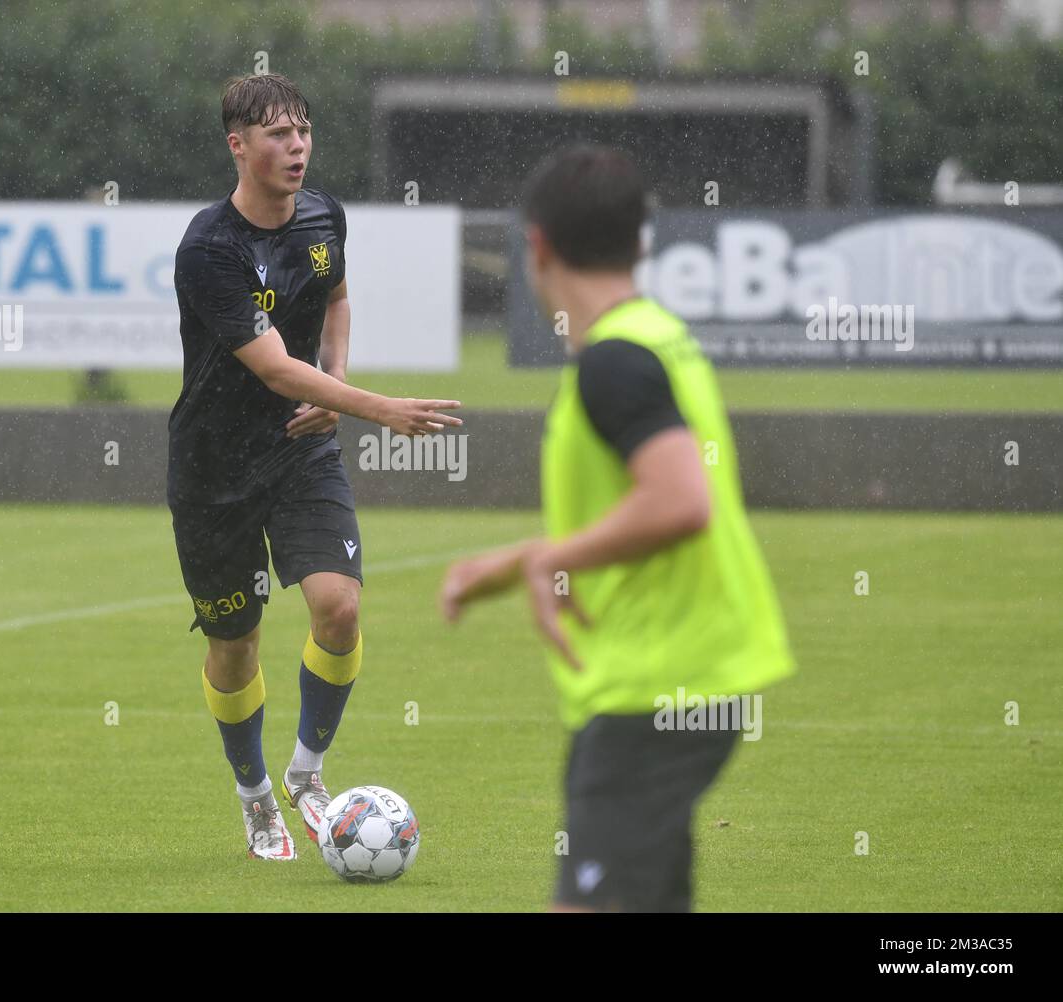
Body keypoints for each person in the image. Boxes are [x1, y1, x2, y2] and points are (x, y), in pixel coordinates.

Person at [439, 144, 795, 911]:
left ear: (535, 245)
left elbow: (678, 501)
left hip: (654, 689)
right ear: (642, 241)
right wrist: (509, 566)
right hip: (692, 681)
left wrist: (552, 559)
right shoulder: (659, 336)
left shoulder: (613, 363)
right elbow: (638, 511)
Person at [170, 72, 461, 860]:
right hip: (212, 469)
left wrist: (335, 386)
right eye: (276, 135)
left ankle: (305, 773)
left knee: (338, 607)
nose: (296, 147)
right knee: (237, 644)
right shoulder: (209, 249)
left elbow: (334, 300)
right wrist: (379, 406)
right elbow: (271, 367)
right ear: (239, 146)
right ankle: (254, 794)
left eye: (302, 131)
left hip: (300, 449)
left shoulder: (324, 217)